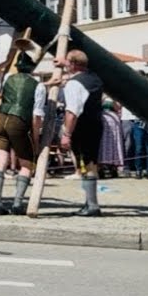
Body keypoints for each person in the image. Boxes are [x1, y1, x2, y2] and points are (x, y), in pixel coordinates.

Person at [0, 52, 45, 215]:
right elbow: (36, 116)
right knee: (27, 164)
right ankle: (17, 204)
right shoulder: (38, 86)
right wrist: (35, 140)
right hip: (19, 121)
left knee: (0, 162)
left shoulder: (7, 79)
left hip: (0, 119)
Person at [60, 50, 105, 217]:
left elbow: (72, 112)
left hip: (82, 126)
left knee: (85, 165)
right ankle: (90, 203)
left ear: (73, 64)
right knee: (90, 163)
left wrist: (66, 134)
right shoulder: (95, 79)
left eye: (68, 63)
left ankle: (92, 205)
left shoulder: (74, 84)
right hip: (96, 124)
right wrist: (63, 62)